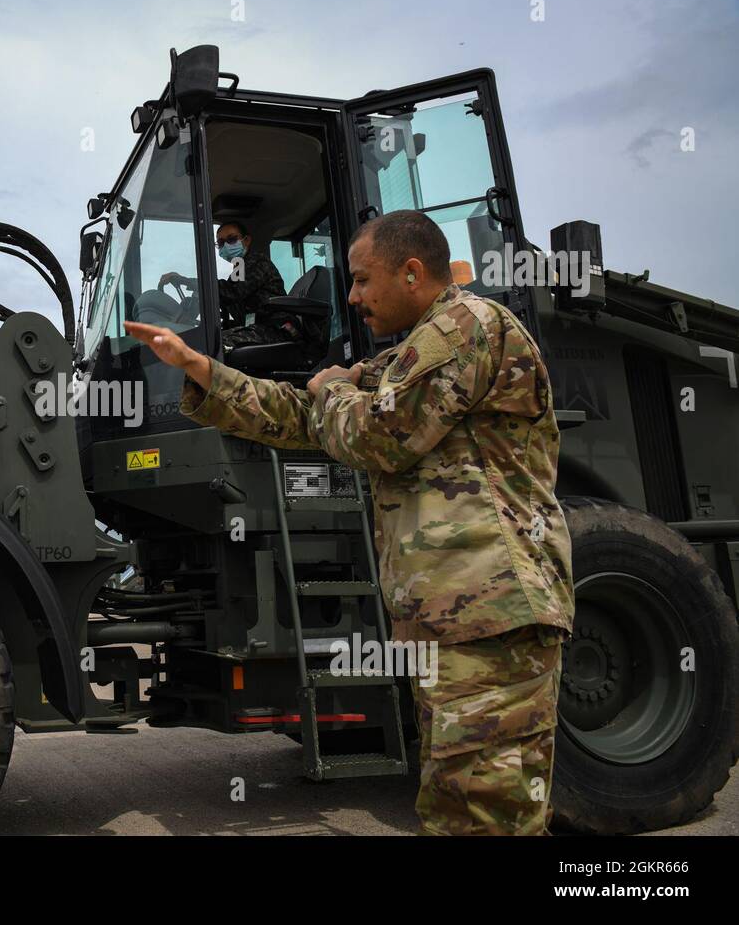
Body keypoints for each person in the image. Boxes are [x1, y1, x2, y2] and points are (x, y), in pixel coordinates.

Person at [124, 209, 575, 835]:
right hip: (458, 618)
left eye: (363, 280)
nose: (353, 297)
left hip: (488, 614)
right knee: (471, 807)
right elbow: (305, 417)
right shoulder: (413, 353)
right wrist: (201, 369)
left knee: (481, 813)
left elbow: (375, 436)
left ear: (411, 273)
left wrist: (335, 387)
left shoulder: (466, 327)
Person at [159, 221, 297, 350]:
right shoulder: (239, 268)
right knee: (205, 339)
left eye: (231, 239)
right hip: (259, 328)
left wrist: (187, 281)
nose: (225, 245)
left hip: (278, 330)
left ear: (246, 240)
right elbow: (227, 298)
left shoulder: (256, 261)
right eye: (220, 243)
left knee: (210, 345)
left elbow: (232, 293)